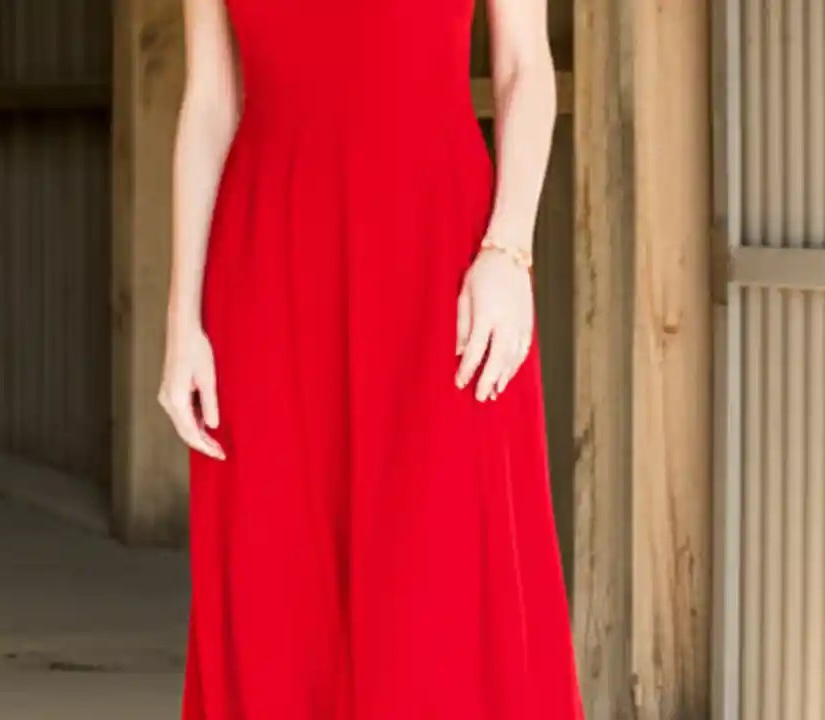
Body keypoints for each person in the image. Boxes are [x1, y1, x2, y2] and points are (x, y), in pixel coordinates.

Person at [157, 0, 583, 716]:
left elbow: (524, 66)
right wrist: (182, 320)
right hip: (266, 264)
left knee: (445, 564)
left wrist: (509, 250)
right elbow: (208, 100)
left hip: (441, 255)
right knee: (277, 577)